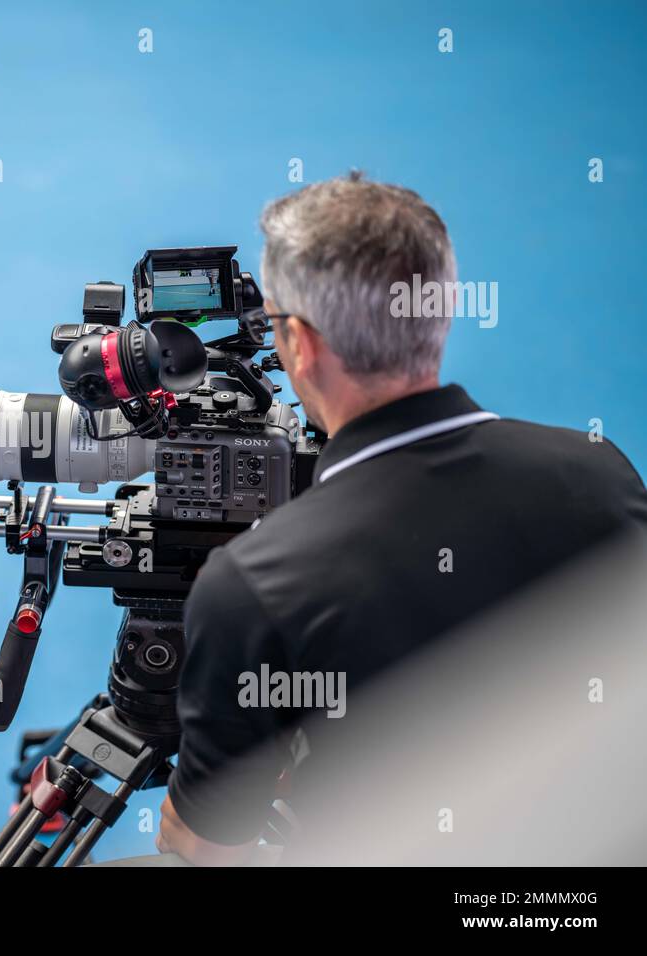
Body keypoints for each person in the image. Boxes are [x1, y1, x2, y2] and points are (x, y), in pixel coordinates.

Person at [156, 173, 647, 865]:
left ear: (300, 343)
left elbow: (209, 846)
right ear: (441, 309)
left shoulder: (255, 583)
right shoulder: (604, 473)